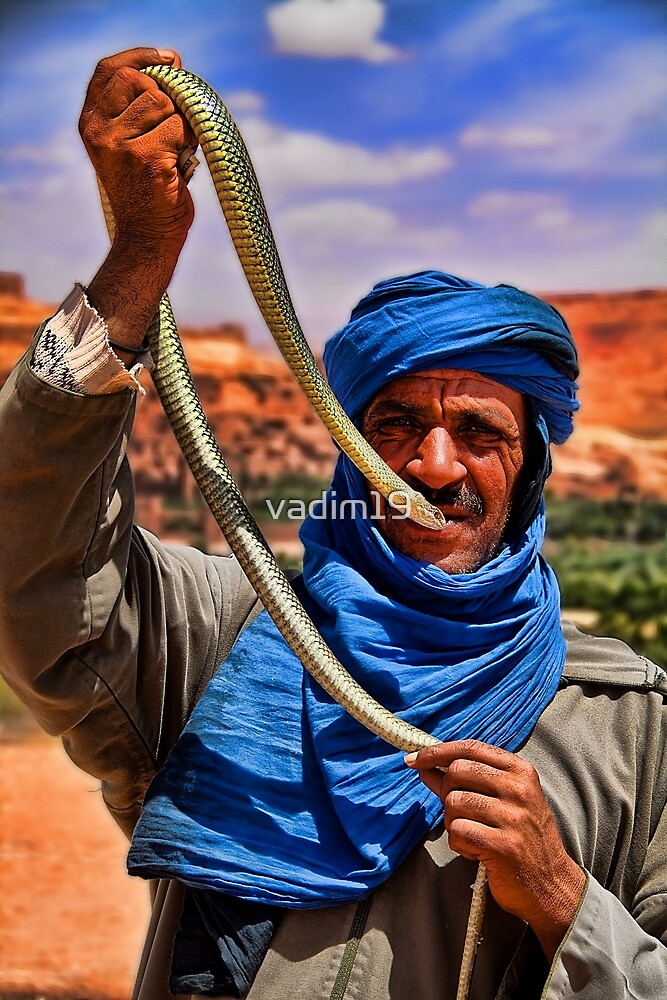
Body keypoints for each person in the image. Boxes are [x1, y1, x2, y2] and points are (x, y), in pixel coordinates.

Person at [0, 46, 665, 1000]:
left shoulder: (627, 725)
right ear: (348, 442)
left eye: (478, 432)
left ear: (527, 470)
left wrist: (565, 900)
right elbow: (35, 563)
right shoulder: (223, 631)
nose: (433, 466)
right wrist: (141, 254)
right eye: (394, 423)